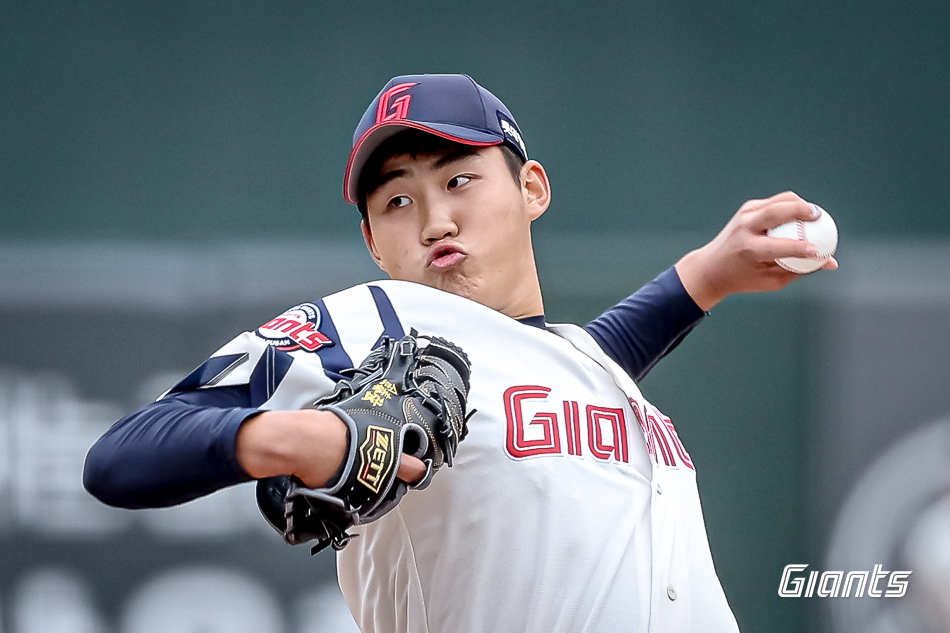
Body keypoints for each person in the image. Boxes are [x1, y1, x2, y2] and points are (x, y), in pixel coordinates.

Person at [84, 73, 837, 632]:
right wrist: (293, 436)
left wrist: (705, 274)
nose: (436, 218)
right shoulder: (379, 317)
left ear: (532, 187)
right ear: (374, 241)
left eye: (460, 178)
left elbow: (580, 356)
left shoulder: (579, 364)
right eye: (397, 201)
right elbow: (117, 457)